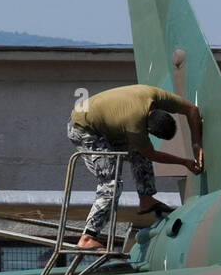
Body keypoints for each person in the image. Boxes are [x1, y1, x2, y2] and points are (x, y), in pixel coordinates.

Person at [67, 84, 204, 249]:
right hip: (83, 129)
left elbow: (192, 110)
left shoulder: (157, 96)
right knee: (111, 183)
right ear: (148, 129)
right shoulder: (135, 124)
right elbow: (151, 154)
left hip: (104, 125)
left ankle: (146, 199)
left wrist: (196, 145)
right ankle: (88, 237)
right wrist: (185, 162)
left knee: (138, 154)